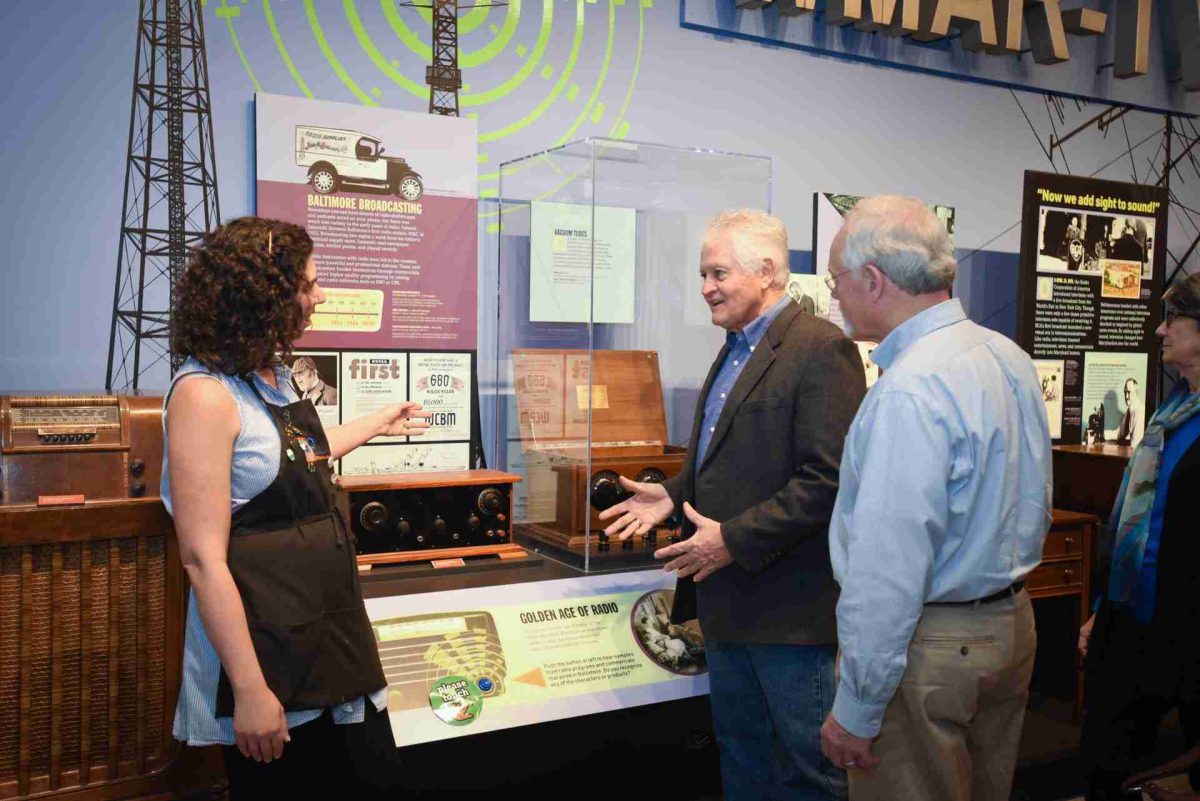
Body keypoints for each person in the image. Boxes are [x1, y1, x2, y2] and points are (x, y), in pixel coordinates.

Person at [599, 209, 866, 800]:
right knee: (744, 761)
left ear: (767, 270)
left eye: (717, 273)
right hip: (728, 605)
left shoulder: (822, 349)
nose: (705, 288)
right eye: (703, 274)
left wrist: (733, 540)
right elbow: (731, 454)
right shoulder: (734, 347)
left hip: (790, 614)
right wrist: (672, 494)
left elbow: (828, 479)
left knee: (807, 772)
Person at [162, 217, 431, 799]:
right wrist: (253, 690)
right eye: (308, 286)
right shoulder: (203, 396)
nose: (321, 296)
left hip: (330, 646)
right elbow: (203, 560)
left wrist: (383, 419)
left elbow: (300, 455)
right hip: (270, 664)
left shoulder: (273, 379)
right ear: (262, 295)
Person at [817, 195, 1052, 801]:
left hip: (930, 651)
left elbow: (888, 567)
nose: (834, 294)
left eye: (836, 279)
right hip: (1011, 628)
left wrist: (858, 708)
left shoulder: (910, 390)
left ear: (872, 280)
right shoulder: (1010, 358)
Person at [1078, 273, 1200, 801]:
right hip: (1134, 617)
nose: (1160, 330)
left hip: (1191, 629)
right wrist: (1104, 606)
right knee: (1104, 761)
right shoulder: (1171, 413)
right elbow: (1137, 525)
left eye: (1174, 319)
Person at [1115, 377, 1145, 446]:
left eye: (1129, 392)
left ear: (1136, 392)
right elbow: (1120, 433)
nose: (1126, 396)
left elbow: (1134, 444)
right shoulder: (1129, 410)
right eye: (1125, 392)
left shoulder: (1140, 412)